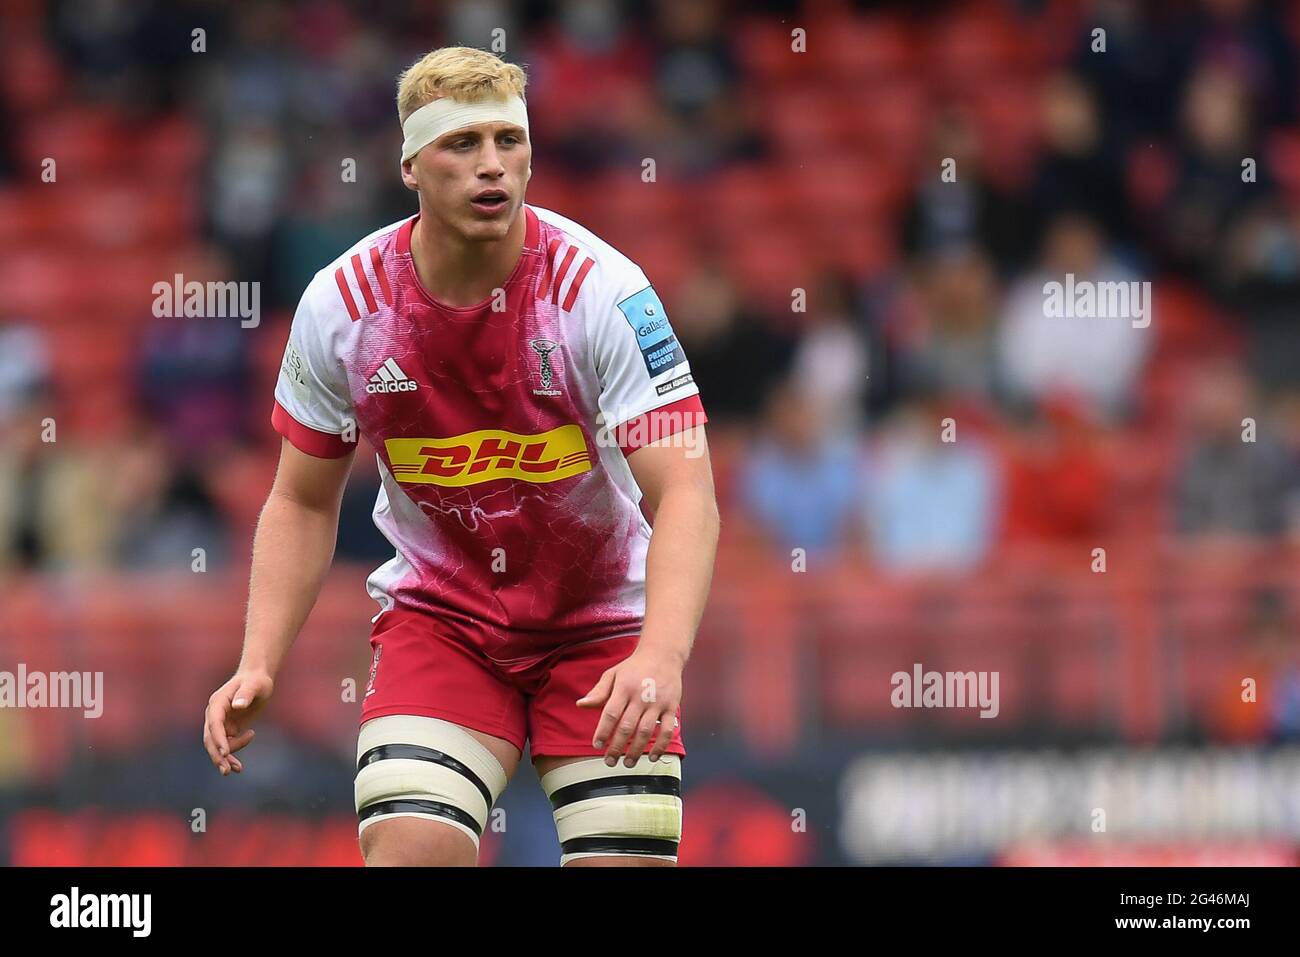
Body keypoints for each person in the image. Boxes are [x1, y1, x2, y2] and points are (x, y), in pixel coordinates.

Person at [202, 47, 719, 867]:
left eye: (508, 141)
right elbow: (301, 498)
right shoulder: (343, 306)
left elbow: (686, 487)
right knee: (410, 846)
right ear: (409, 164)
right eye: (462, 143)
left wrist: (661, 652)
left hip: (605, 627)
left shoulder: (603, 293)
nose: (492, 166)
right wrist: (259, 658)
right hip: (445, 621)